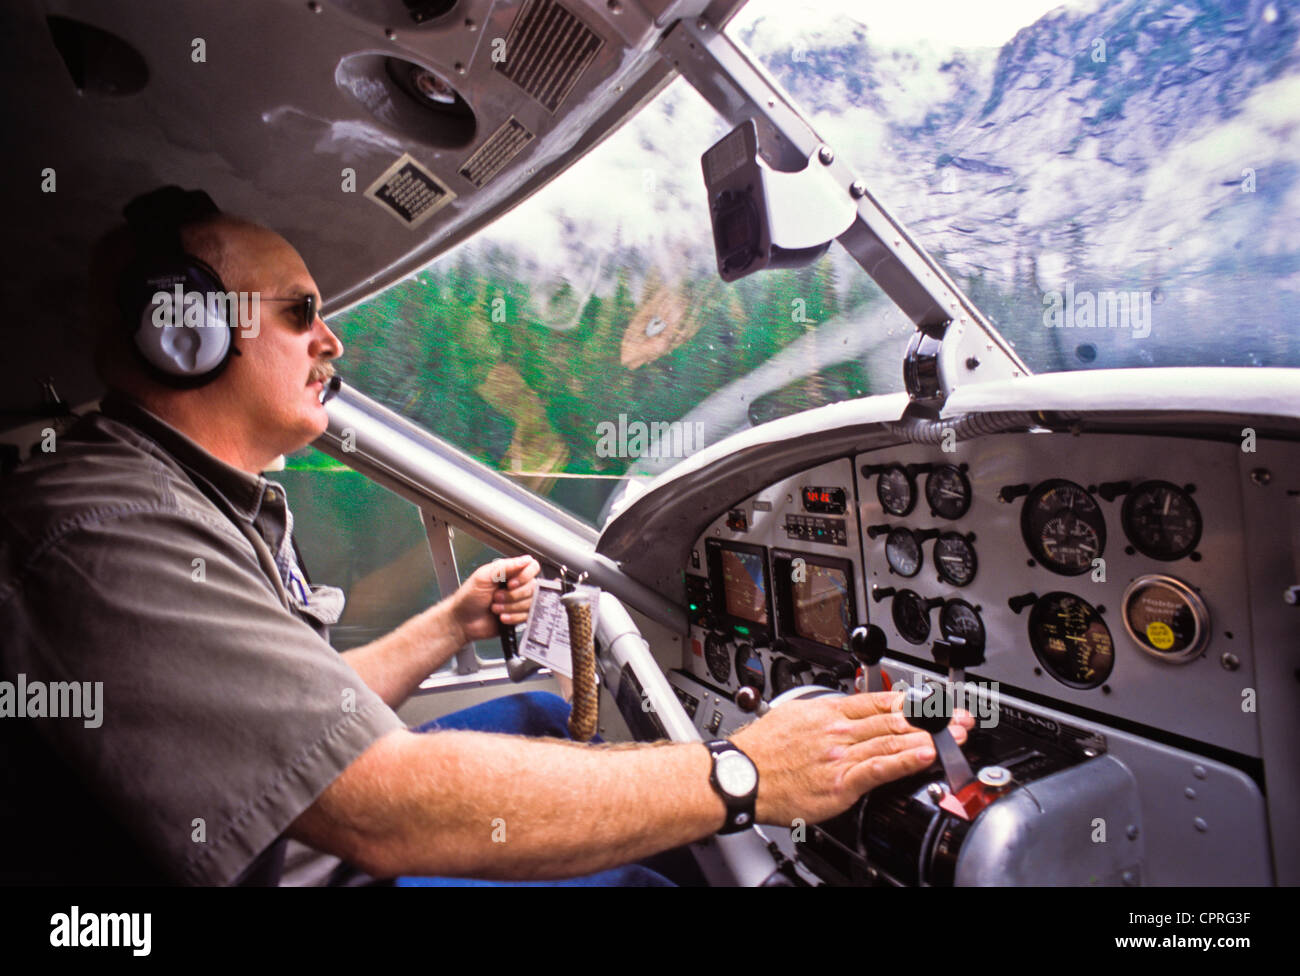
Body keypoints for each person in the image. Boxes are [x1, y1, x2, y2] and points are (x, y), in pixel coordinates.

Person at [0, 187, 970, 886]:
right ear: (185, 333)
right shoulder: (106, 522)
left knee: (550, 723)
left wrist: (453, 621)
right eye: (300, 312)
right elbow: (374, 802)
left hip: (302, 838)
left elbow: (291, 728)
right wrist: (749, 770)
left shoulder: (191, 497)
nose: (330, 340)